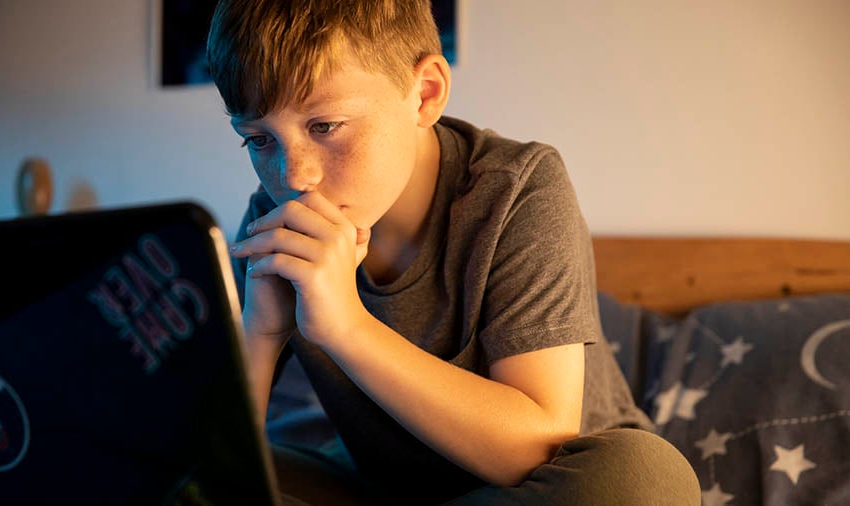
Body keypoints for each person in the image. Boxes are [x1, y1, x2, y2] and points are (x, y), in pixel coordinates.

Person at [206, 1, 700, 504]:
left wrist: (346, 327)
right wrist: (260, 332)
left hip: (545, 487)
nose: (294, 176)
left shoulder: (517, 188)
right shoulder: (276, 218)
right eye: (259, 140)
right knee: (190, 479)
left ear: (424, 94)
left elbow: (533, 449)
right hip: (384, 487)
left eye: (325, 126)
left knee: (649, 478)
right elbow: (217, 463)